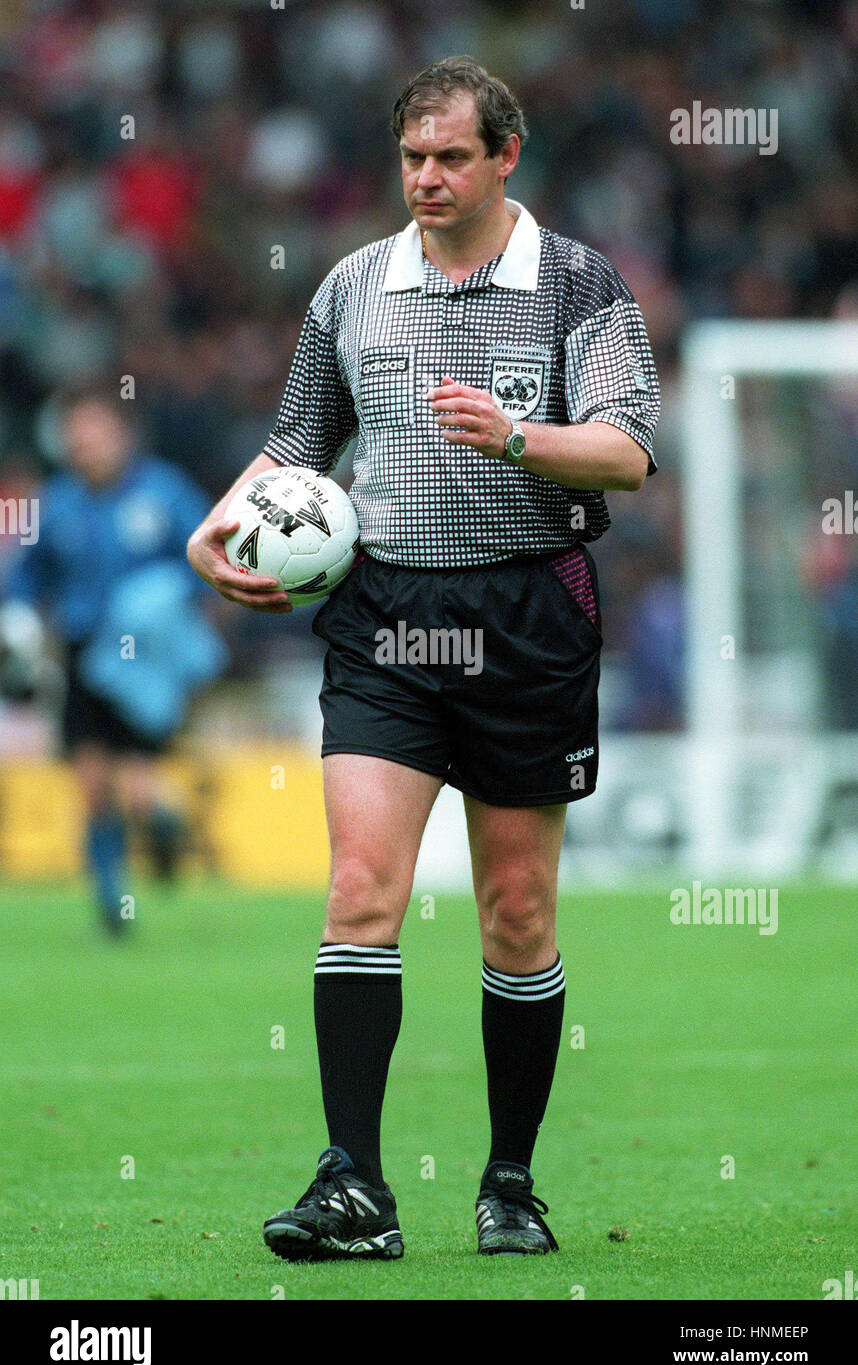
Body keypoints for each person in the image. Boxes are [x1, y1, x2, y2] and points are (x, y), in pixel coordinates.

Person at [187, 56, 660, 1259]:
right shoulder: (352, 286)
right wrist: (221, 517)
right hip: (385, 615)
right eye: (411, 158)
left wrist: (512, 434)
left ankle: (509, 1181)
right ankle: (356, 1187)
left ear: (507, 156)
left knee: (514, 910)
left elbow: (626, 454)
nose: (428, 179)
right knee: (360, 892)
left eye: (452, 156)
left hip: (529, 615)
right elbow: (302, 436)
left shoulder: (579, 284)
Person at [3, 389, 222, 933]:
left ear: (122, 433)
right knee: (94, 784)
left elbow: (208, 552)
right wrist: (19, 617)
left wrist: (181, 609)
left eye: (94, 429)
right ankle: (111, 900)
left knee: (140, 788)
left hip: (145, 659)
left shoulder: (165, 491)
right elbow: (27, 577)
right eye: (75, 432)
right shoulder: (56, 503)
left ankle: (163, 827)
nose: (83, 442)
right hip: (81, 653)